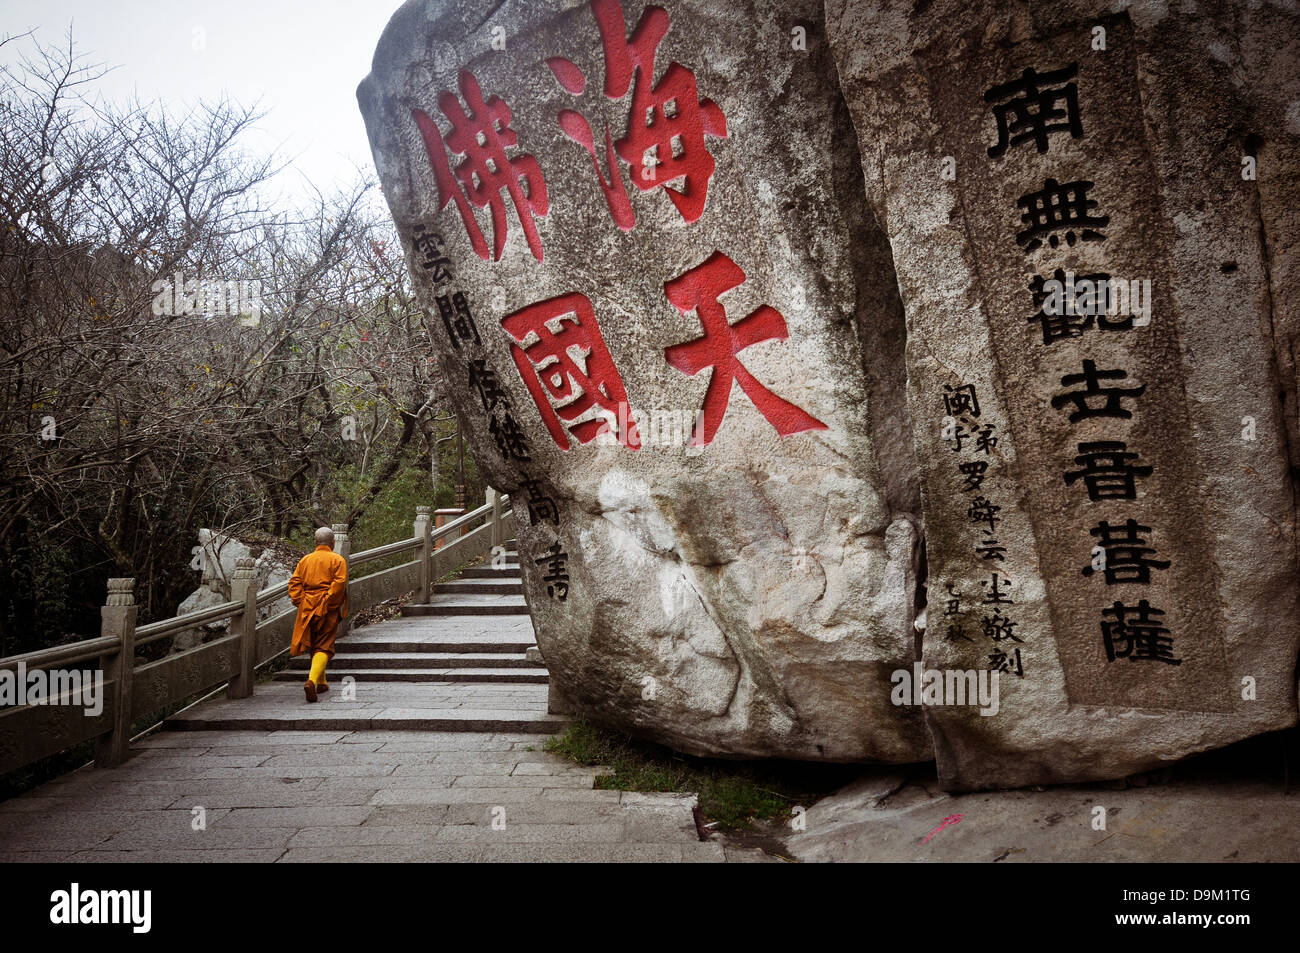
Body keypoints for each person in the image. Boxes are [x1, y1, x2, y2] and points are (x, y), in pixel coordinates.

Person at [287, 526, 349, 702]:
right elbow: (339, 584)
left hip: (307, 608)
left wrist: (302, 601)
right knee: (324, 646)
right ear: (333, 542)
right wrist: (326, 602)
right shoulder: (337, 560)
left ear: (315, 542)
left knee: (314, 643)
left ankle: (322, 682)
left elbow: (294, 583)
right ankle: (312, 681)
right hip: (326, 608)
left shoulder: (305, 561)